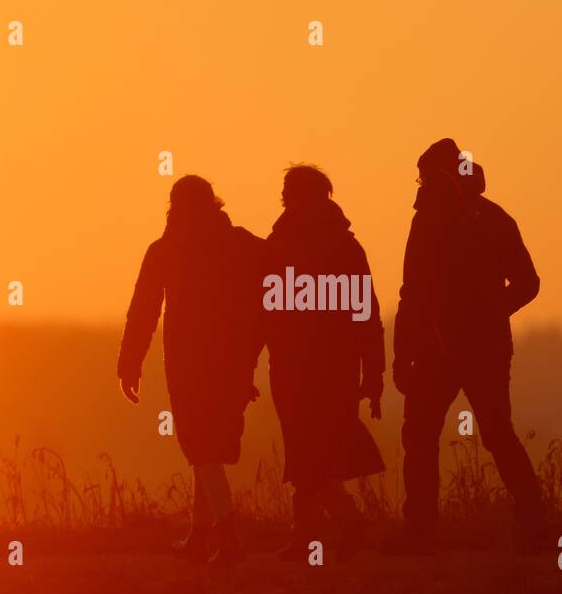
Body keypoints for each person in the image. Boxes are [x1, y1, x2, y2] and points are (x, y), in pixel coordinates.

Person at [390, 139, 543, 554]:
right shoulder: (481, 218)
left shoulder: (486, 219)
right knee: (435, 436)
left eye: (426, 177)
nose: (422, 185)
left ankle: (530, 521)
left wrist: (485, 317)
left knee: (483, 434)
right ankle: (423, 531)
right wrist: (404, 353)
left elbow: (528, 283)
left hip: (468, 350)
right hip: (453, 350)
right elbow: (412, 291)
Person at [117, 175, 266, 564]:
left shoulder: (166, 250)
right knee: (208, 447)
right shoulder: (239, 245)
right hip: (233, 362)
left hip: (189, 365)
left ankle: (228, 535)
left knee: (201, 447)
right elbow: (275, 280)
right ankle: (201, 535)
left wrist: (130, 363)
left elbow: (143, 310)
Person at [264, 165, 384, 559]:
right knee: (313, 451)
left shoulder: (280, 245)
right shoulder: (346, 245)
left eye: (288, 189)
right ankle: (307, 537)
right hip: (337, 367)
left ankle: (344, 519)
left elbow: (264, 311)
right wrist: (374, 370)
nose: (283, 195)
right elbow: (366, 311)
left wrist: (247, 362)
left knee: (306, 452)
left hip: (296, 367)